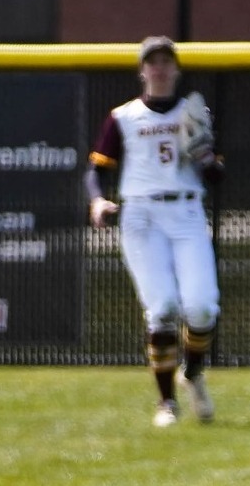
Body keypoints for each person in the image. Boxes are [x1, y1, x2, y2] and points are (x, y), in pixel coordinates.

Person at [88, 36, 223, 427]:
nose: (159, 68)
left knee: (201, 306)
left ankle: (192, 373)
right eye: (152, 62)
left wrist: (204, 155)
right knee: (162, 308)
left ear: (177, 69)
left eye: (166, 61)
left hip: (186, 211)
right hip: (142, 216)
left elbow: (217, 175)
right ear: (142, 70)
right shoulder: (124, 117)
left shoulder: (193, 113)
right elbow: (97, 170)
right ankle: (166, 403)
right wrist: (98, 201)